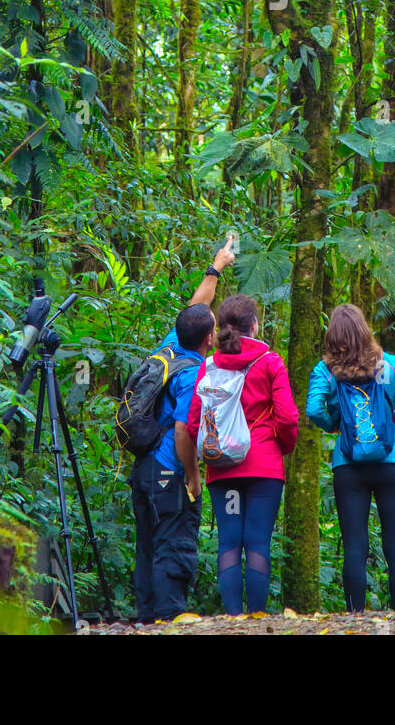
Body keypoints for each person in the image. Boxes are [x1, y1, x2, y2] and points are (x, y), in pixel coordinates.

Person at [129, 237, 236, 622]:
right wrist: (193, 479)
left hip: (142, 468)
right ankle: (167, 619)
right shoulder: (192, 373)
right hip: (167, 470)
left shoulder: (169, 350)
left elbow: (196, 307)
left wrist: (217, 265)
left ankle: (145, 619)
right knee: (172, 546)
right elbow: (183, 432)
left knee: (147, 545)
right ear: (209, 338)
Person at [306, 303, 395, 612]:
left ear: (332, 336)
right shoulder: (387, 364)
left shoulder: (326, 370)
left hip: (348, 466)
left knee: (354, 545)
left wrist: (333, 425)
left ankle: (355, 618)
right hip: (392, 462)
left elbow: (312, 410)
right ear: (365, 331)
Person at [185, 293, 298, 615]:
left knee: (230, 541)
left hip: (223, 470)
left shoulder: (207, 366)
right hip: (264, 467)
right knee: (258, 541)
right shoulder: (270, 362)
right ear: (254, 325)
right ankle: (257, 616)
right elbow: (288, 417)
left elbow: (194, 422)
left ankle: (233, 619)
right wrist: (282, 448)